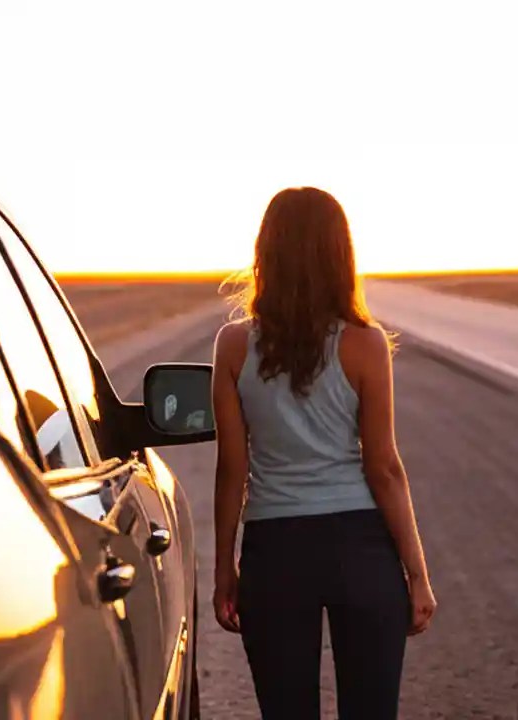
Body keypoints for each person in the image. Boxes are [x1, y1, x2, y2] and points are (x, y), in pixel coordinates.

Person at [210, 186, 437, 719]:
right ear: (341, 254)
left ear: (267, 254)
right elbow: (383, 467)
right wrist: (417, 573)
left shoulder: (233, 345)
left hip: (275, 550)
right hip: (360, 548)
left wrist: (226, 567)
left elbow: (231, 470)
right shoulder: (365, 342)